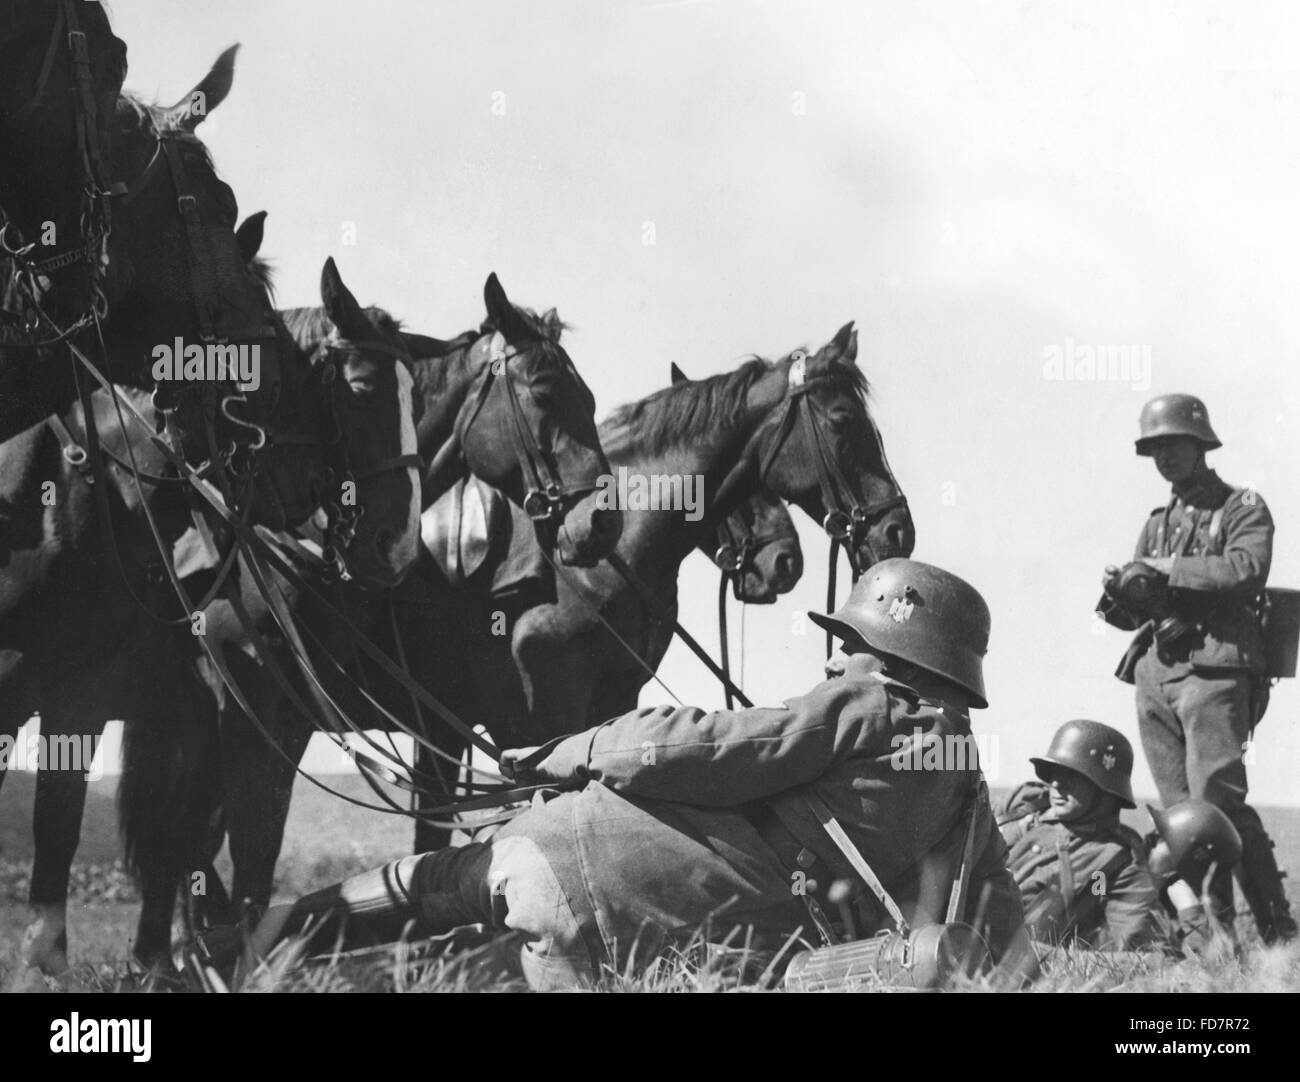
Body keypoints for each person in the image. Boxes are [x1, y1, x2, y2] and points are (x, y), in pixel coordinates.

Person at [253, 558, 1030, 989]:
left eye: (848, 641)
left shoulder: (868, 703)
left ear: (895, 657)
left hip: (573, 861)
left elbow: (692, 748)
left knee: (432, 886)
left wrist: (556, 753)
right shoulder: (961, 779)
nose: (832, 655)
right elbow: (1007, 939)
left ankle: (258, 939)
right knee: (470, 972)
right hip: (665, 945)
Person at [1098, 393, 1296, 943]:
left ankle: (1271, 928)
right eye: (1156, 449)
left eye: (1175, 445)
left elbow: (1246, 569)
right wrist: (1123, 587)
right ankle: (1204, 937)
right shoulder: (1157, 521)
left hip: (1215, 670)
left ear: (1201, 444)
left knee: (1216, 804)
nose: (1166, 458)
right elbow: (1137, 603)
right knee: (1180, 811)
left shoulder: (1241, 507)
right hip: (1156, 672)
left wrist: (1168, 568)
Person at [997, 720, 1163, 950]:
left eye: (1072, 775)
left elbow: (1140, 954)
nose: (1056, 783)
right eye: (1054, 772)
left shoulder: (1113, 860)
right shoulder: (1025, 805)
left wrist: (1038, 954)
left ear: (1104, 788)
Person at [1144, 799, 1244, 962]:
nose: (1151, 839)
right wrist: (1190, 912)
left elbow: (1203, 964)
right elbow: (1186, 969)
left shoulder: (1163, 897)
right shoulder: (1135, 883)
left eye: (1160, 836)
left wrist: (1190, 911)